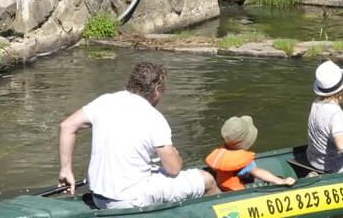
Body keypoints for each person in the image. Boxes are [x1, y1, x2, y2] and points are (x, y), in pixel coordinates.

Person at [57, 61, 220, 209]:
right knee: (207, 179)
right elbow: (174, 169)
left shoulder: (104, 101)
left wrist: (66, 170)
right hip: (130, 199)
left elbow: (67, 126)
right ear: (157, 90)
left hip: (98, 196)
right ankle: (220, 215)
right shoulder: (153, 117)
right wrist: (175, 155)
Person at [206, 116, 296, 191]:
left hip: (223, 189)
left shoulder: (220, 154)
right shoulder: (243, 161)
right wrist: (280, 181)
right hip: (238, 193)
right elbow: (258, 172)